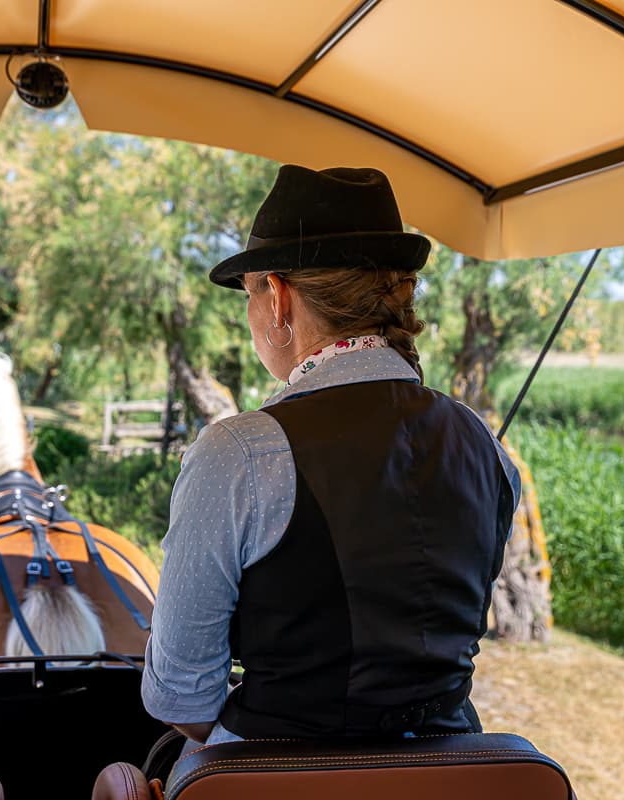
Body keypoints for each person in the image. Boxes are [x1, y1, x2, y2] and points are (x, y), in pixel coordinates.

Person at [140, 165, 521, 746]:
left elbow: (180, 697)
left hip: (282, 779)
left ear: (278, 297)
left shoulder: (239, 454)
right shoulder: (485, 446)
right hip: (447, 771)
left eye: (249, 296)